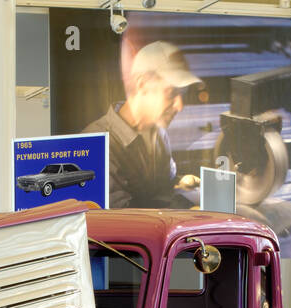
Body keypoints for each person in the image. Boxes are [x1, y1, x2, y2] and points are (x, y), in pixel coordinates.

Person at [83, 41, 203, 210]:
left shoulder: (158, 133)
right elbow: (125, 221)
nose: (180, 105)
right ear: (142, 85)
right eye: (172, 93)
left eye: (182, 94)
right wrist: (186, 212)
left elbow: (160, 188)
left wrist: (179, 183)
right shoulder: (96, 145)